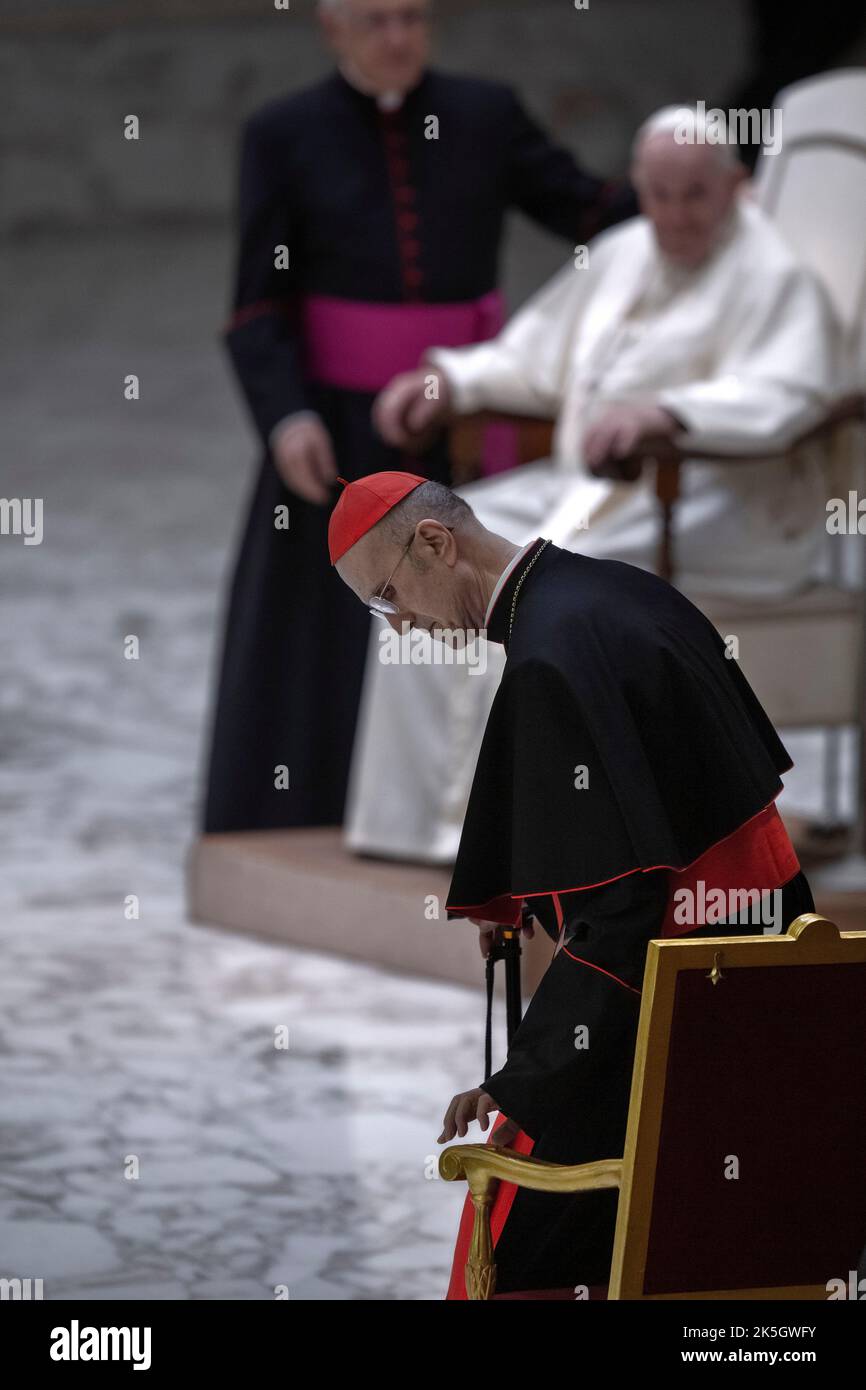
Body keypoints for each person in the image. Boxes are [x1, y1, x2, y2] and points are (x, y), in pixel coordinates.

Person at [328, 469, 815, 1297]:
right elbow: (662, 814)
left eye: (386, 595)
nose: (399, 622)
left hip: (688, 1007)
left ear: (435, 543)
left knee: (520, 1239)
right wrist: (532, 887)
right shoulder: (611, 593)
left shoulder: (550, 656)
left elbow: (625, 919)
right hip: (776, 961)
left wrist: (520, 1081)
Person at [343, 104, 843, 864]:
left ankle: (491, 841)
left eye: (694, 196)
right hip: (596, 486)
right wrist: (450, 379)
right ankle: (410, 827)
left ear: (736, 186)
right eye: (659, 195)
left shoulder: (774, 278)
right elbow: (534, 358)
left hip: (721, 505)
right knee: (422, 550)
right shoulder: (620, 252)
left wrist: (670, 413)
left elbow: (788, 396)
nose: (674, 216)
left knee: (521, 577)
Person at [201, 0, 634, 834]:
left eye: (412, 17)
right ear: (332, 27)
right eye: (375, 21)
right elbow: (257, 306)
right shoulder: (282, 131)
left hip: (463, 426)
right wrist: (286, 417)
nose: (397, 37)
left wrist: (679, 198)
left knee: (469, 616)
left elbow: (582, 209)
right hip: (336, 430)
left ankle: (479, 818)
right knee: (323, 634)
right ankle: (312, 815)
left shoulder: (484, 114)